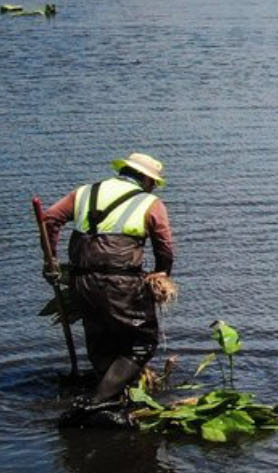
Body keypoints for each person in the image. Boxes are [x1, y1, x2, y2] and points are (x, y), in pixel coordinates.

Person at [40, 153, 176, 426]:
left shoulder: (84, 193)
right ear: (146, 179)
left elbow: (49, 219)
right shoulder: (150, 204)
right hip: (121, 284)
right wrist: (161, 273)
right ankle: (98, 401)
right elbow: (164, 248)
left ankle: (109, 402)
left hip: (81, 282)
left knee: (99, 337)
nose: (153, 188)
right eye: (154, 183)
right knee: (142, 342)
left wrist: (50, 259)